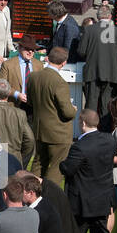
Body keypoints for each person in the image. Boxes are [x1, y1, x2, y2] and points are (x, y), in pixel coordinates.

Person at [60, 109, 117, 233]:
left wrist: (62, 163)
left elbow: (68, 168)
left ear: (83, 124)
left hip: (82, 203)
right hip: (102, 200)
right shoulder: (109, 140)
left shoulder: (79, 147)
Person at [29, 46, 75, 181]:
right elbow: (67, 113)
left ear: (48, 58)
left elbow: (31, 102)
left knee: (38, 163)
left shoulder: (33, 77)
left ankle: (30, 194)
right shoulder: (60, 83)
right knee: (57, 166)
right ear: (64, 62)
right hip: (58, 133)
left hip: (39, 129)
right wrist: (74, 109)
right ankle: (49, 197)